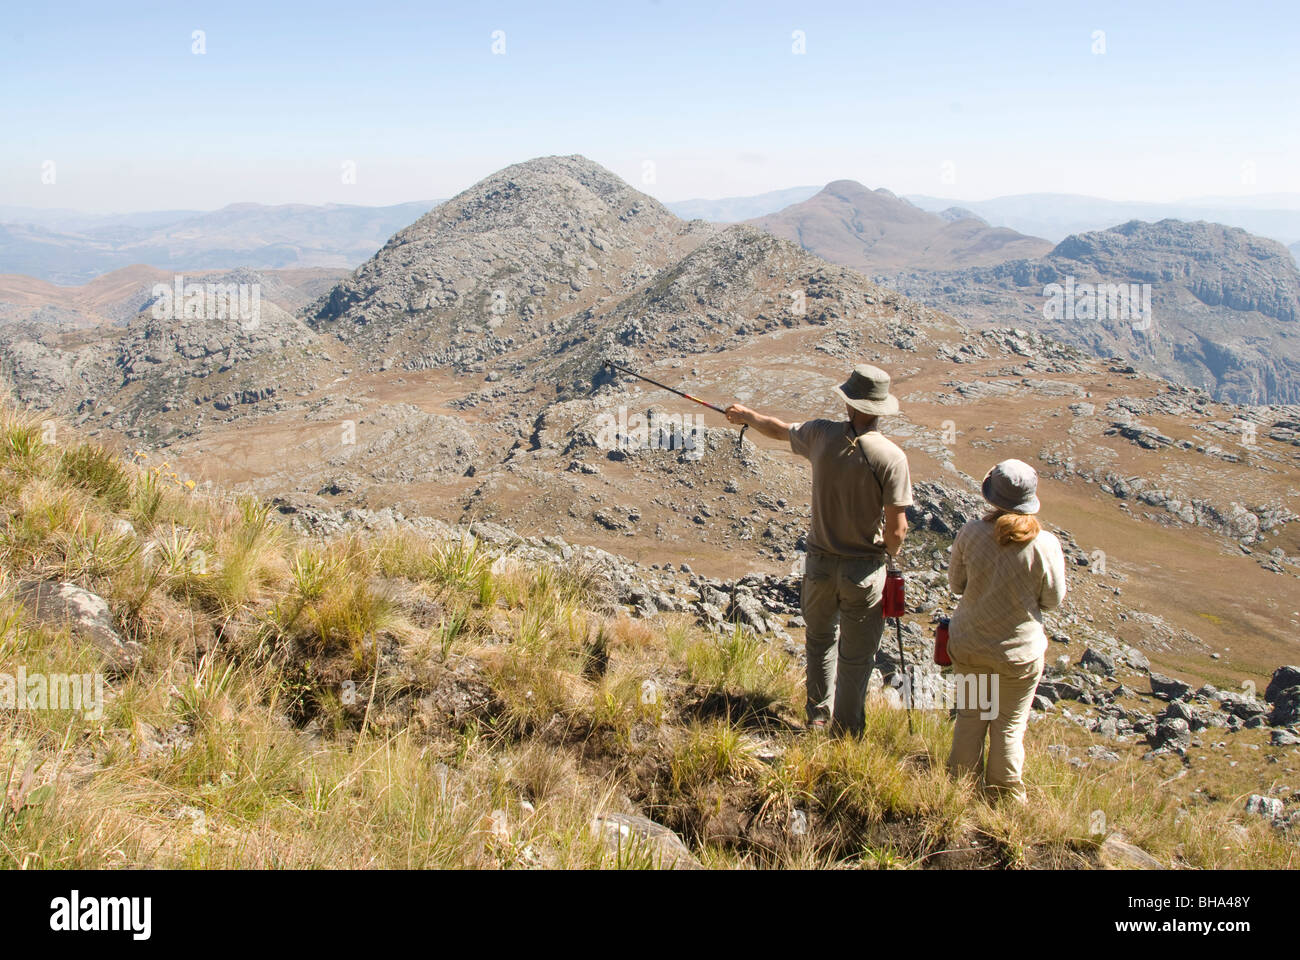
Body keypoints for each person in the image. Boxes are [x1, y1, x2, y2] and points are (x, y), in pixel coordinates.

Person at [725, 364, 911, 735]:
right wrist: (887, 550)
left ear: (849, 404)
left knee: (819, 642)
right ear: (879, 409)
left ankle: (817, 716)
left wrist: (746, 416)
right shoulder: (893, 458)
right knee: (857, 659)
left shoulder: (821, 436)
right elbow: (897, 530)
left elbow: (778, 429)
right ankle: (846, 732)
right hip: (863, 572)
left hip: (820, 565)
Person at [946, 459, 1067, 803]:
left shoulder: (970, 532)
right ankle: (1004, 802)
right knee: (1009, 729)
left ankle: (957, 795)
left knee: (971, 719)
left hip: (970, 644)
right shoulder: (1046, 545)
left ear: (992, 496)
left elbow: (956, 585)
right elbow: (1052, 600)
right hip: (1018, 654)